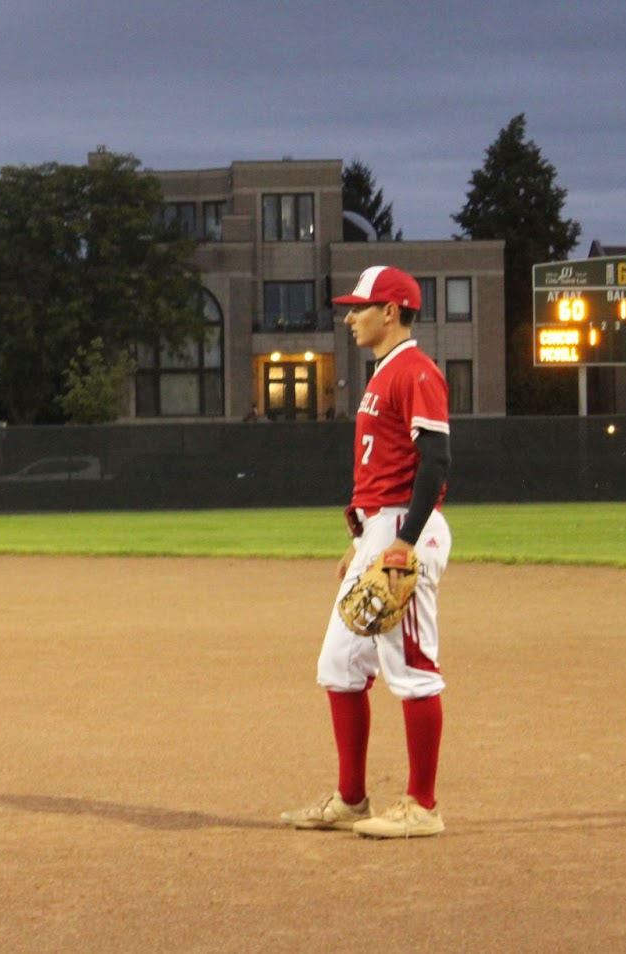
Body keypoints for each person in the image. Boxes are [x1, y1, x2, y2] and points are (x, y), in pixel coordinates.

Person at [281, 265, 452, 839]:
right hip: (378, 533)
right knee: (339, 666)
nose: (349, 316)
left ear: (392, 311)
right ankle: (351, 799)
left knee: (411, 669)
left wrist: (402, 544)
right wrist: (359, 547)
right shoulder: (383, 374)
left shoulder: (416, 371)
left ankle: (422, 806)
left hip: (407, 528)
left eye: (360, 307)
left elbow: (436, 462)